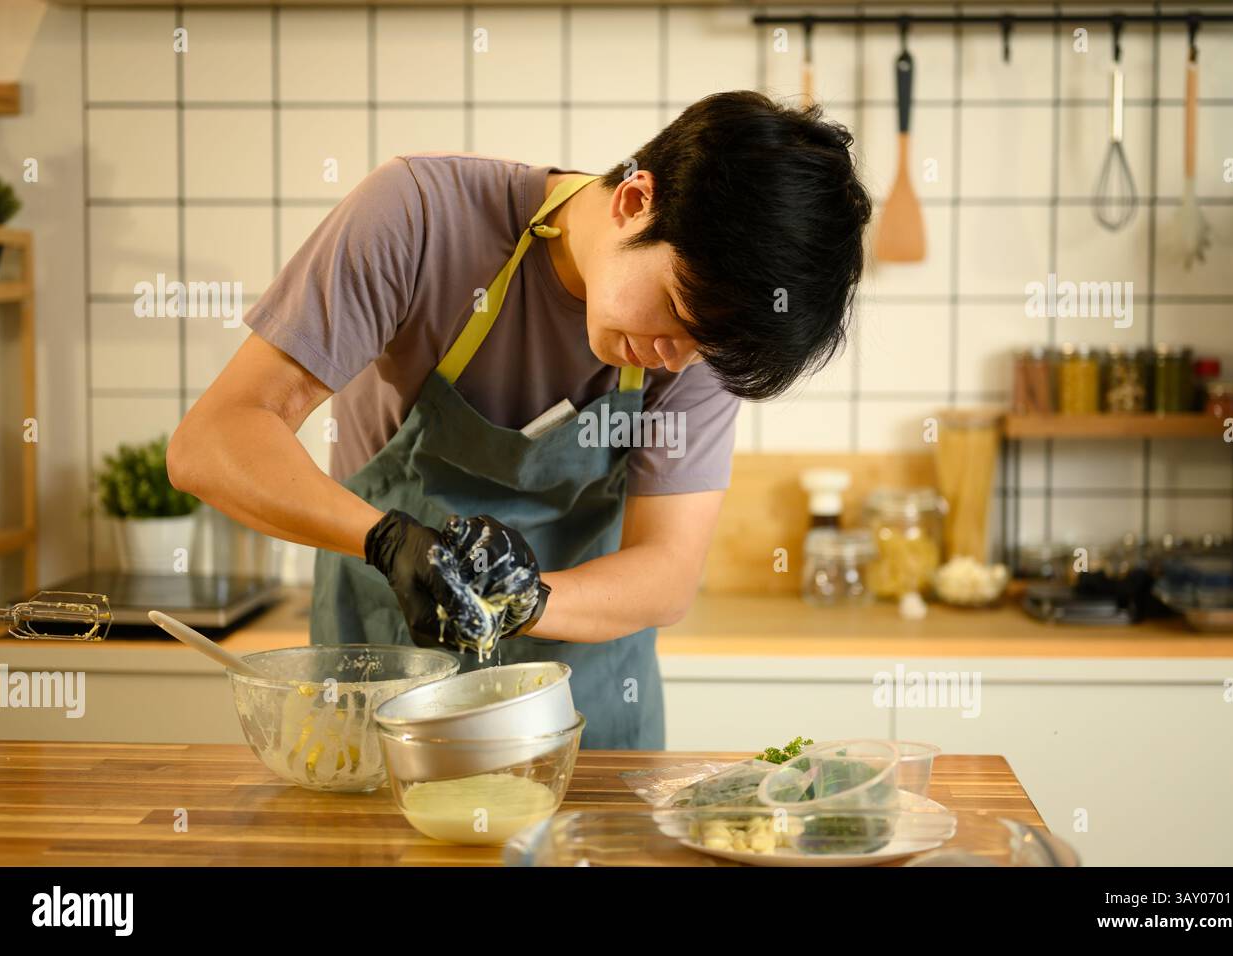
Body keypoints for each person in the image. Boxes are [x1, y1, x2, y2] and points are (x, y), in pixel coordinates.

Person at [168, 90, 871, 748]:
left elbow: (668, 571)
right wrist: (386, 541)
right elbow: (213, 439)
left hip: (582, 710)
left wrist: (524, 601)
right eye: (677, 316)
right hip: (383, 685)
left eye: (704, 350)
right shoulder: (418, 218)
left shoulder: (701, 341)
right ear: (634, 199)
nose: (675, 362)